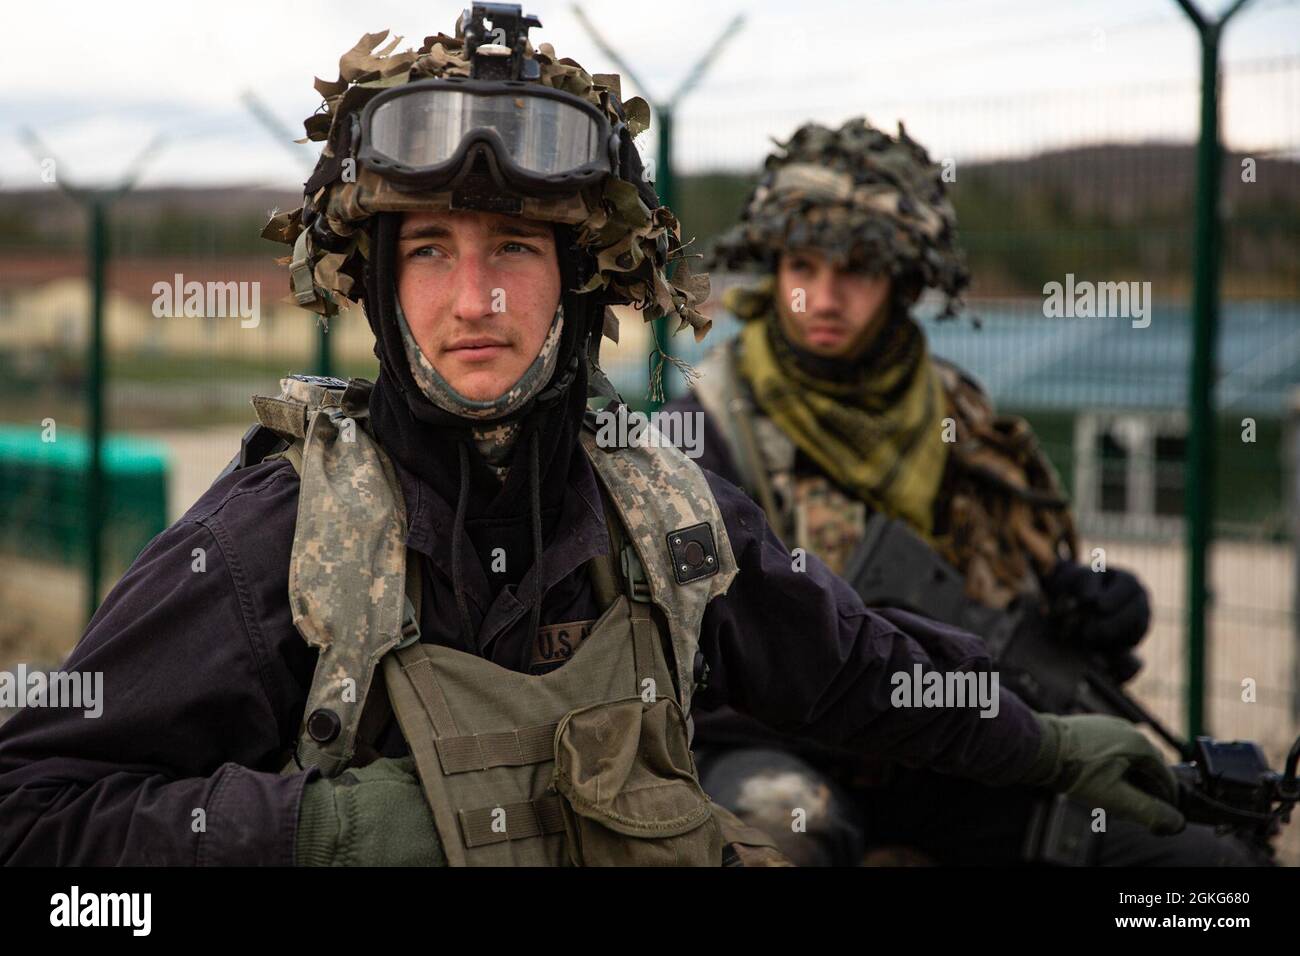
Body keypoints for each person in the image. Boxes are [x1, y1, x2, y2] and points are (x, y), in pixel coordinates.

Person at [0, 8, 1184, 867]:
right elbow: (36, 812)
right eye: (429, 251)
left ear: (578, 282)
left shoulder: (665, 509)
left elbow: (853, 670)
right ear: (372, 281)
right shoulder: (278, 544)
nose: (476, 299)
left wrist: (1046, 740)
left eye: (514, 247)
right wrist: (323, 828)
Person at [664, 116, 1259, 866]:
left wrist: (1100, 598)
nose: (822, 296)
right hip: (771, 741)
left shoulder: (962, 420)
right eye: (801, 267)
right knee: (787, 831)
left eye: (856, 271)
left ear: (903, 281)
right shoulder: (709, 425)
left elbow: (1026, 587)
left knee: (1197, 862)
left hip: (955, 739)